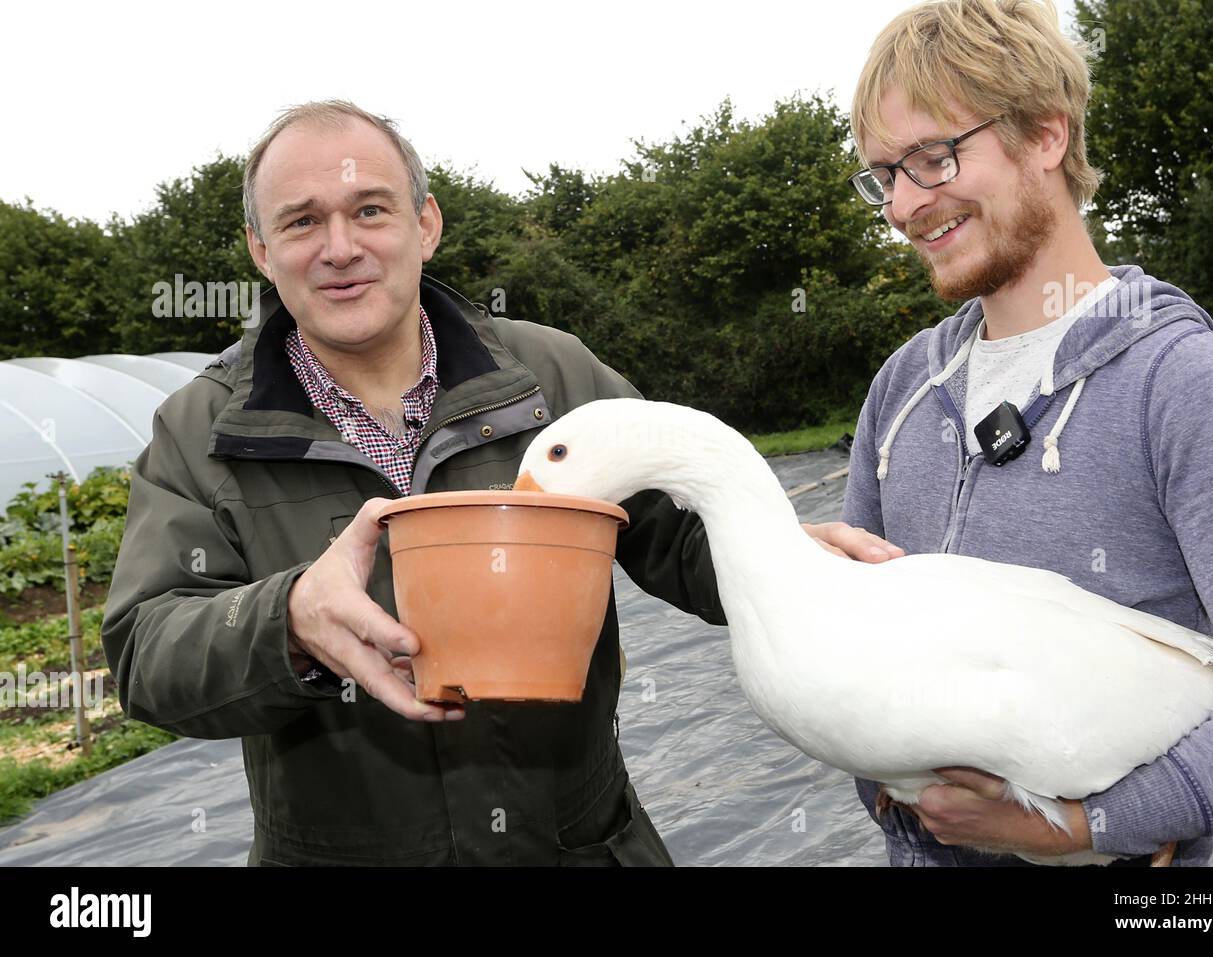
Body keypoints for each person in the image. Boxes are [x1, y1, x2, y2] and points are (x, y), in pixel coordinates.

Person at [100, 100, 748, 866]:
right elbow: (146, 651)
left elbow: (686, 535)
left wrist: (783, 550)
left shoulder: (552, 376)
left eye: (369, 210)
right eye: (302, 222)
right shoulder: (201, 429)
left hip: (577, 847)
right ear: (261, 250)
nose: (340, 248)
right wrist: (289, 620)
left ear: (426, 224)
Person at [824, 0, 1213, 866]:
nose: (902, 204)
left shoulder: (1188, 390)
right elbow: (856, 654)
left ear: (1046, 135)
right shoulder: (898, 390)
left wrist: (1084, 826)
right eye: (883, 173)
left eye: (932, 157)